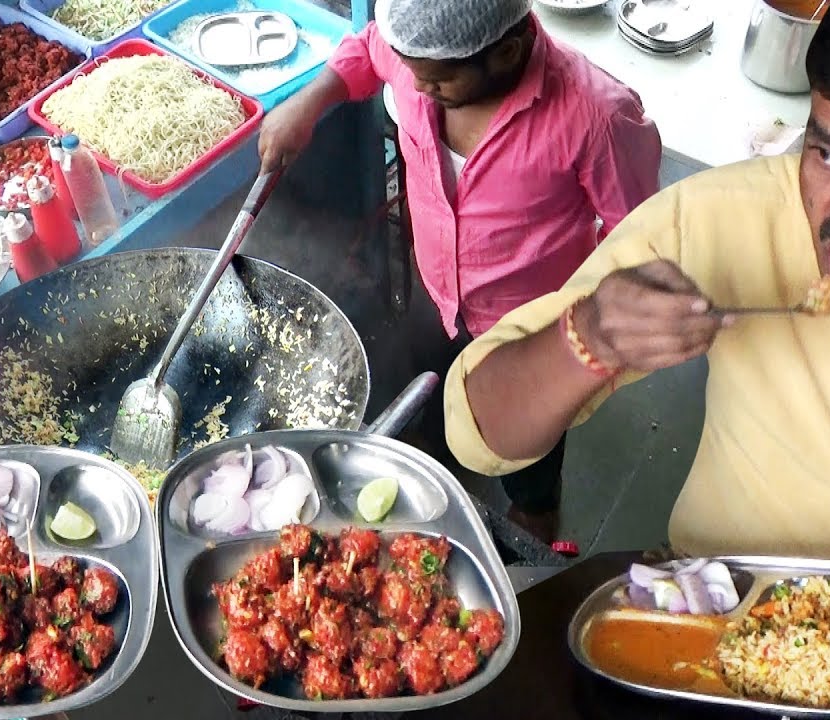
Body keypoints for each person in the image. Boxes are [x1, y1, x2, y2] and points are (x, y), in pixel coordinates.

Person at [443, 0, 830, 589]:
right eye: (829, 153)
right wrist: (589, 336)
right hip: (713, 629)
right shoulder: (718, 220)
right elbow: (481, 432)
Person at [259, 0, 662, 543]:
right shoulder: (419, 59)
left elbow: (637, 234)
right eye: (414, 74)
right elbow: (370, 48)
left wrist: (586, 334)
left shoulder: (596, 115)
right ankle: (448, 456)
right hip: (438, 292)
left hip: (527, 327)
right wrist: (306, 105)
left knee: (527, 446)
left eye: (439, 82)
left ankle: (534, 514)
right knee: (439, 386)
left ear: (507, 52)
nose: (420, 90)